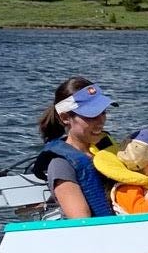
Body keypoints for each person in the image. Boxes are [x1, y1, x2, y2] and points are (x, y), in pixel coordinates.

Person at [32, 77, 119, 219]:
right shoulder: (61, 165)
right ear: (65, 118)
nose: (101, 120)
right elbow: (81, 221)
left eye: (103, 112)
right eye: (91, 115)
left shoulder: (107, 147)